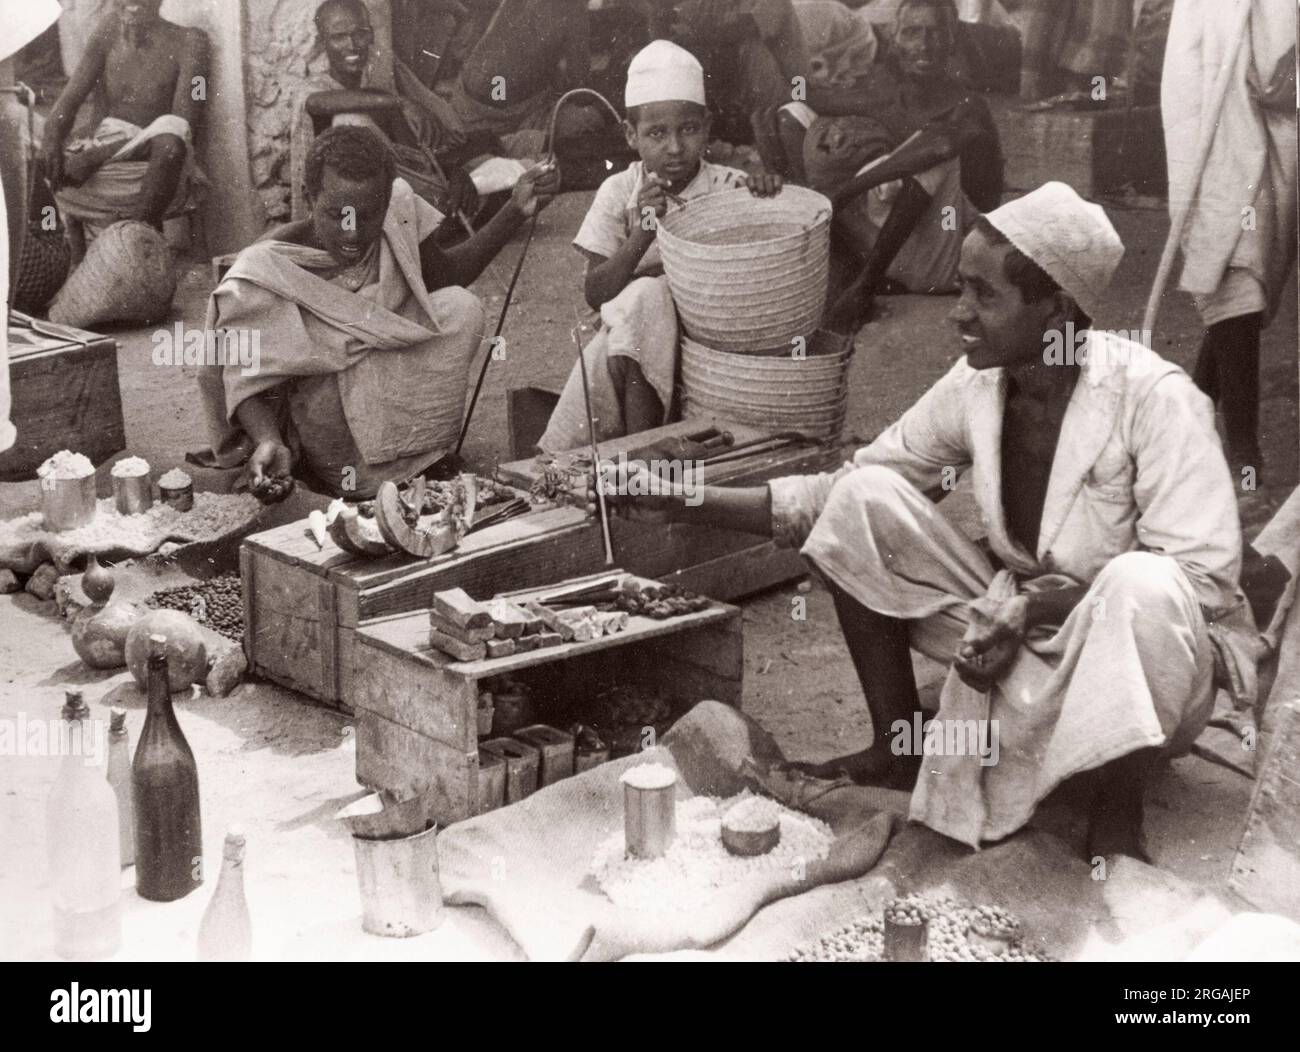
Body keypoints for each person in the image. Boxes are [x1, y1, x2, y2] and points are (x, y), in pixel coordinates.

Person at [602, 182, 1258, 860]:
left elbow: (1201, 584)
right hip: (1015, 643)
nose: (960, 315)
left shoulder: (1156, 400)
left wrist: (1033, 605)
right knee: (865, 502)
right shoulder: (979, 381)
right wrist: (678, 492)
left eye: (984, 295)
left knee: (1143, 583)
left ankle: (1116, 811)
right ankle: (897, 746)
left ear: (1057, 310)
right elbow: (844, 491)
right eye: (959, 290)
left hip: (1132, 667)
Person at [194, 126, 559, 501]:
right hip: (323, 418)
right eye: (338, 215)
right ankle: (344, 476)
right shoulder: (267, 267)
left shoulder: (398, 212)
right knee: (343, 380)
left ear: (386, 202)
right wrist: (269, 440)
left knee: (459, 310)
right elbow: (241, 377)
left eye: (368, 216)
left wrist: (515, 209)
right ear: (308, 197)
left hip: (382, 391)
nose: (352, 233)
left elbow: (447, 275)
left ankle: (419, 456)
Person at [537, 40, 782, 454]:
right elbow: (596, 294)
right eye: (656, 133)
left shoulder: (728, 186)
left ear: (706, 127)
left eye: (687, 130)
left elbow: (771, 255)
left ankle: (626, 453)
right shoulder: (619, 191)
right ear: (631, 135)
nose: (673, 147)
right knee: (642, 301)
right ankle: (644, 449)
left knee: (644, 301)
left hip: (706, 336)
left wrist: (767, 195)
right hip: (633, 340)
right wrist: (644, 232)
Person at [763, 0, 1003, 328]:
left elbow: (940, 146)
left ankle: (864, 284)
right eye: (912, 33)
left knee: (935, 155)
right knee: (795, 115)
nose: (924, 45)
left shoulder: (968, 105)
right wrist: (769, 110)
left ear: (952, 40)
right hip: (895, 244)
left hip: (947, 255)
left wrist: (847, 192)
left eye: (935, 34)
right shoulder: (887, 96)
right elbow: (812, 100)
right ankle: (832, 251)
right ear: (894, 40)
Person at [1161, 0, 1296, 479]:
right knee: (1235, 259)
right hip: (1213, 87)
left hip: (1275, 108)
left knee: (1252, 271)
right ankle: (1242, 447)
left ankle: (1183, 426)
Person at [290, 0, 528, 224]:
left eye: (360, 33)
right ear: (323, 43)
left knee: (515, 165)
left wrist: (453, 171)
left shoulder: (380, 81)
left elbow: (417, 160)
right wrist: (398, 102)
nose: (351, 45)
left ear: (371, 35)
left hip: (410, 193)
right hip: (353, 214)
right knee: (350, 121)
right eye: (338, 37)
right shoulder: (315, 91)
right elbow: (317, 104)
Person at [41, 0, 209, 231]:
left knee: (171, 137)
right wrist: (51, 138)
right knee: (27, 142)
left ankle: (136, 237)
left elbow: (185, 123)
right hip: (107, 142)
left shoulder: (191, 42)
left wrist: (96, 157)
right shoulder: (107, 29)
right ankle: (50, 243)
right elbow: (69, 100)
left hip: (156, 151)